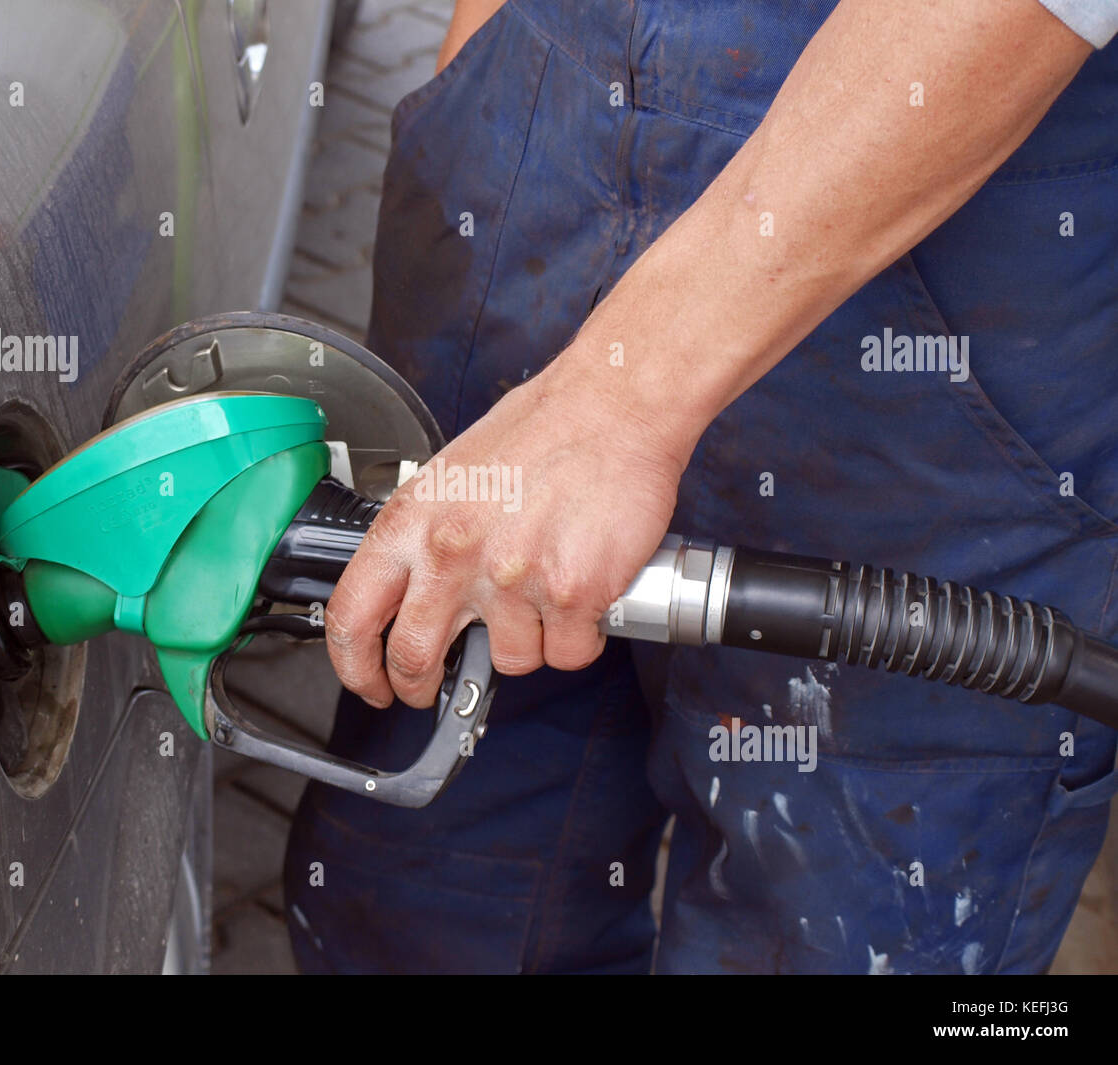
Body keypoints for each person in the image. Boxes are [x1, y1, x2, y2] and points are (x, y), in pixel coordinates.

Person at [284, 0, 1118, 973]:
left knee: (842, 920)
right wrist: (481, 69)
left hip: (937, 200)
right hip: (540, 129)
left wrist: (618, 400)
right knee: (422, 895)